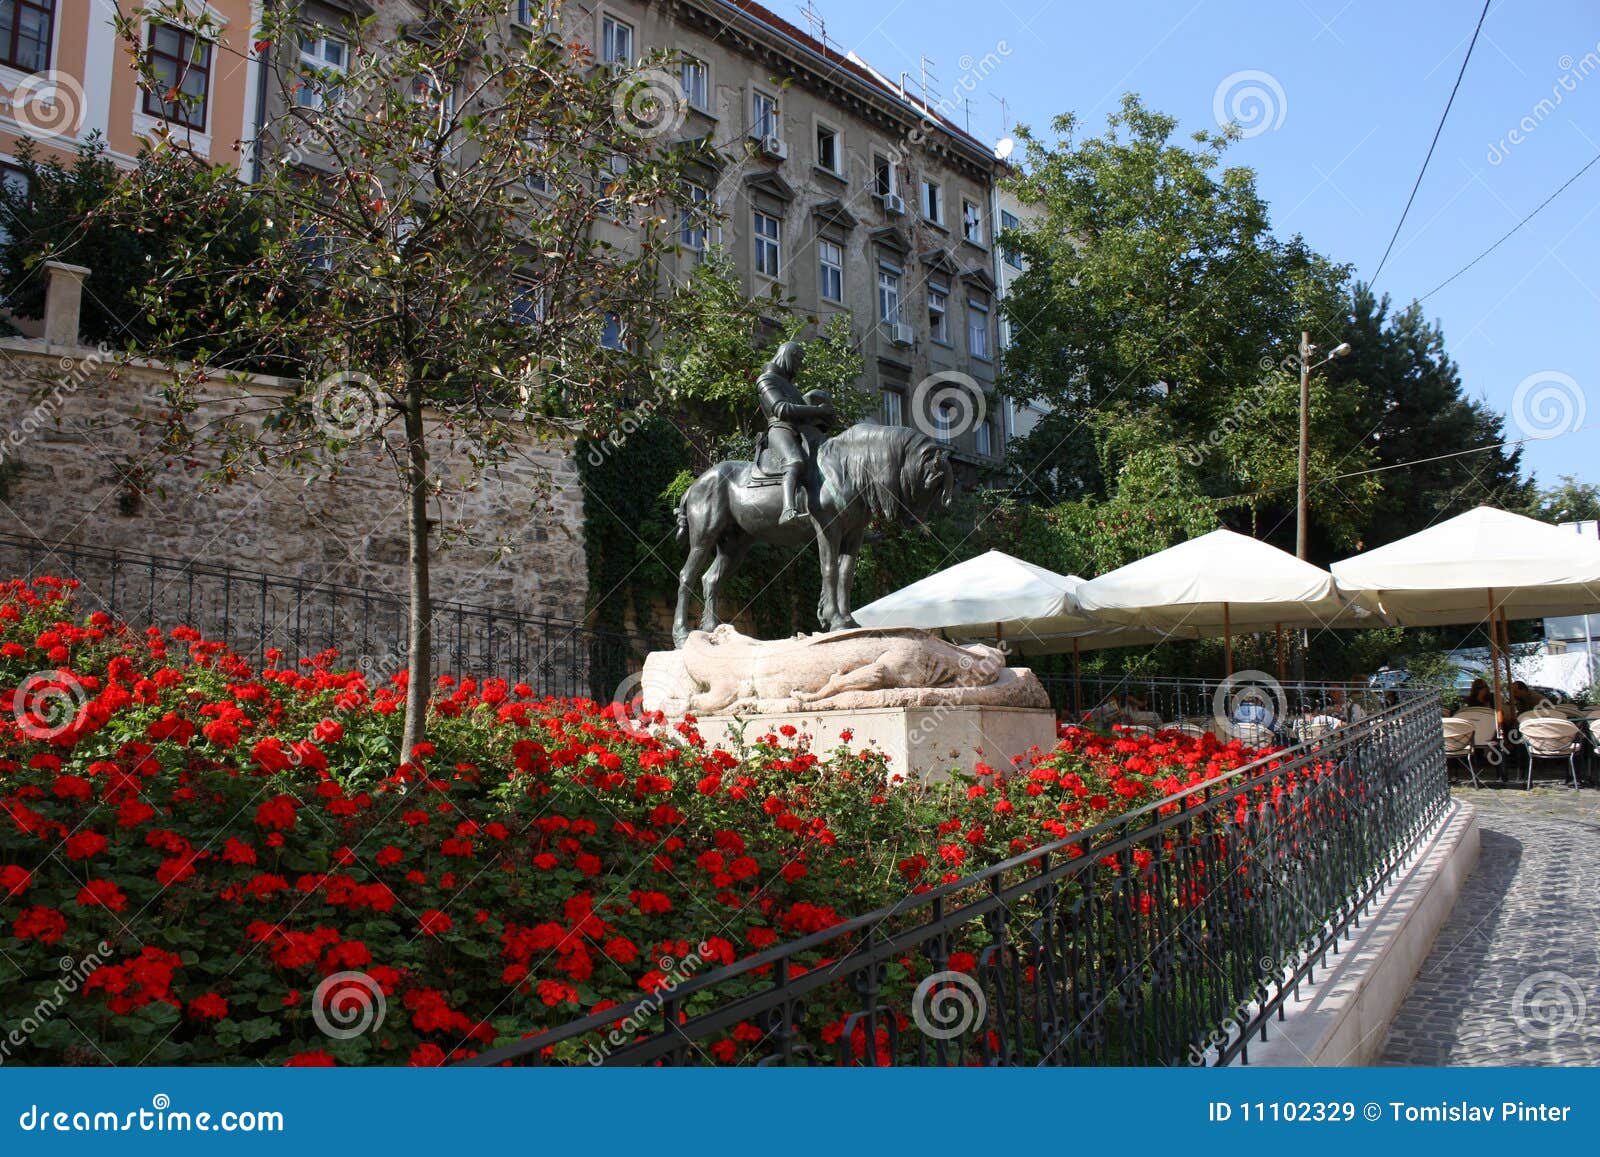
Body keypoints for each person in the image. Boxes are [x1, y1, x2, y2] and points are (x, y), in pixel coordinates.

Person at [755, 342, 835, 525]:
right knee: (794, 461)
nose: (799, 364)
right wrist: (817, 411)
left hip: (802, 432)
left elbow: (801, 412)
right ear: (786, 356)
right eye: (797, 359)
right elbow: (781, 409)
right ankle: (787, 509)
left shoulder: (791, 386)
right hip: (780, 429)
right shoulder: (766, 379)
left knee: (831, 461)